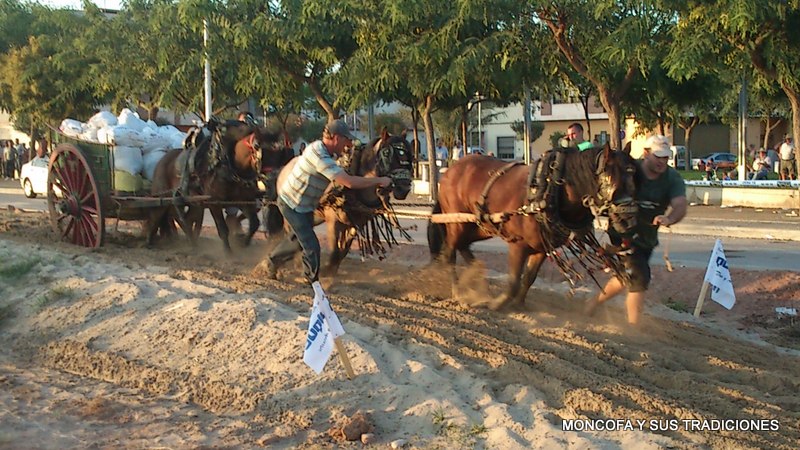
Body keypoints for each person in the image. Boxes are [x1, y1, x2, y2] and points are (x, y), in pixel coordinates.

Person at [260, 119, 391, 284]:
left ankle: (270, 263)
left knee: (297, 241)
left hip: (305, 205)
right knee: (312, 246)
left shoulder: (330, 154)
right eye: (346, 139)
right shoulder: (318, 154)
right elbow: (348, 182)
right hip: (292, 203)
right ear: (336, 138)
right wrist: (378, 181)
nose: (348, 143)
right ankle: (311, 281)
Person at [584, 135, 687, 326]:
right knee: (639, 277)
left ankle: (593, 303)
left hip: (647, 238)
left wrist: (670, 218)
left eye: (665, 157)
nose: (662, 161)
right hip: (622, 232)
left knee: (625, 277)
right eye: (658, 157)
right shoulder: (630, 169)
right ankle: (634, 328)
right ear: (646, 153)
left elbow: (680, 204)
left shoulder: (672, 178)